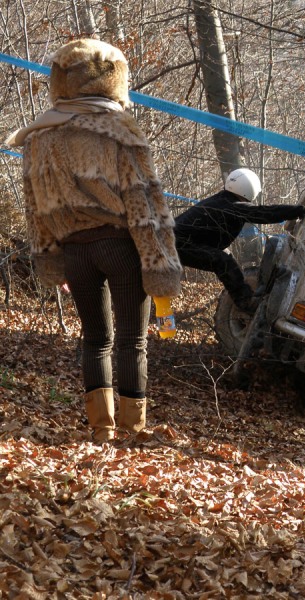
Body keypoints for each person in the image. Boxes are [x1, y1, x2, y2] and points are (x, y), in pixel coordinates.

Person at [5, 39, 183, 443]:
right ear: (112, 79)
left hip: (75, 252)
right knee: (132, 340)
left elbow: (36, 211)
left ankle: (101, 428)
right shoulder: (120, 130)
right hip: (120, 246)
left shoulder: (38, 137)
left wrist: (52, 257)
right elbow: (144, 204)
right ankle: (133, 428)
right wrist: (160, 262)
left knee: (95, 340)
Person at [174, 168, 305, 312]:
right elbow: (264, 212)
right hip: (176, 244)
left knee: (225, 257)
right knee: (222, 261)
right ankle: (246, 303)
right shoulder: (232, 206)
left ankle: (245, 296)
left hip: (175, 242)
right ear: (249, 189)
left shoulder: (223, 200)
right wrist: (297, 211)